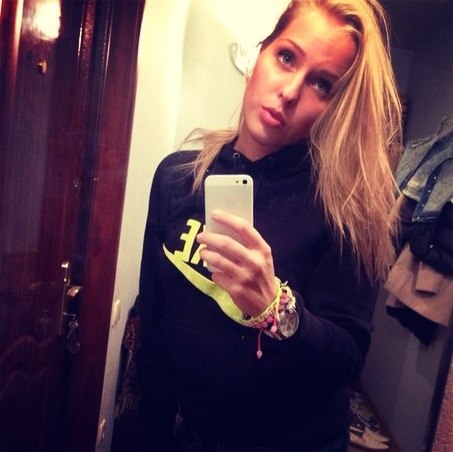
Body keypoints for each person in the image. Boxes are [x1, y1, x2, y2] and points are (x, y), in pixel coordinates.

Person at [137, 0, 402, 450]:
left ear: (334, 109)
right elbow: (153, 322)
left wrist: (277, 309)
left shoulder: (344, 210)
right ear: (259, 54)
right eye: (286, 57)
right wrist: (151, 435)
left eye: (322, 83)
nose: (291, 91)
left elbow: (347, 361)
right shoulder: (176, 178)